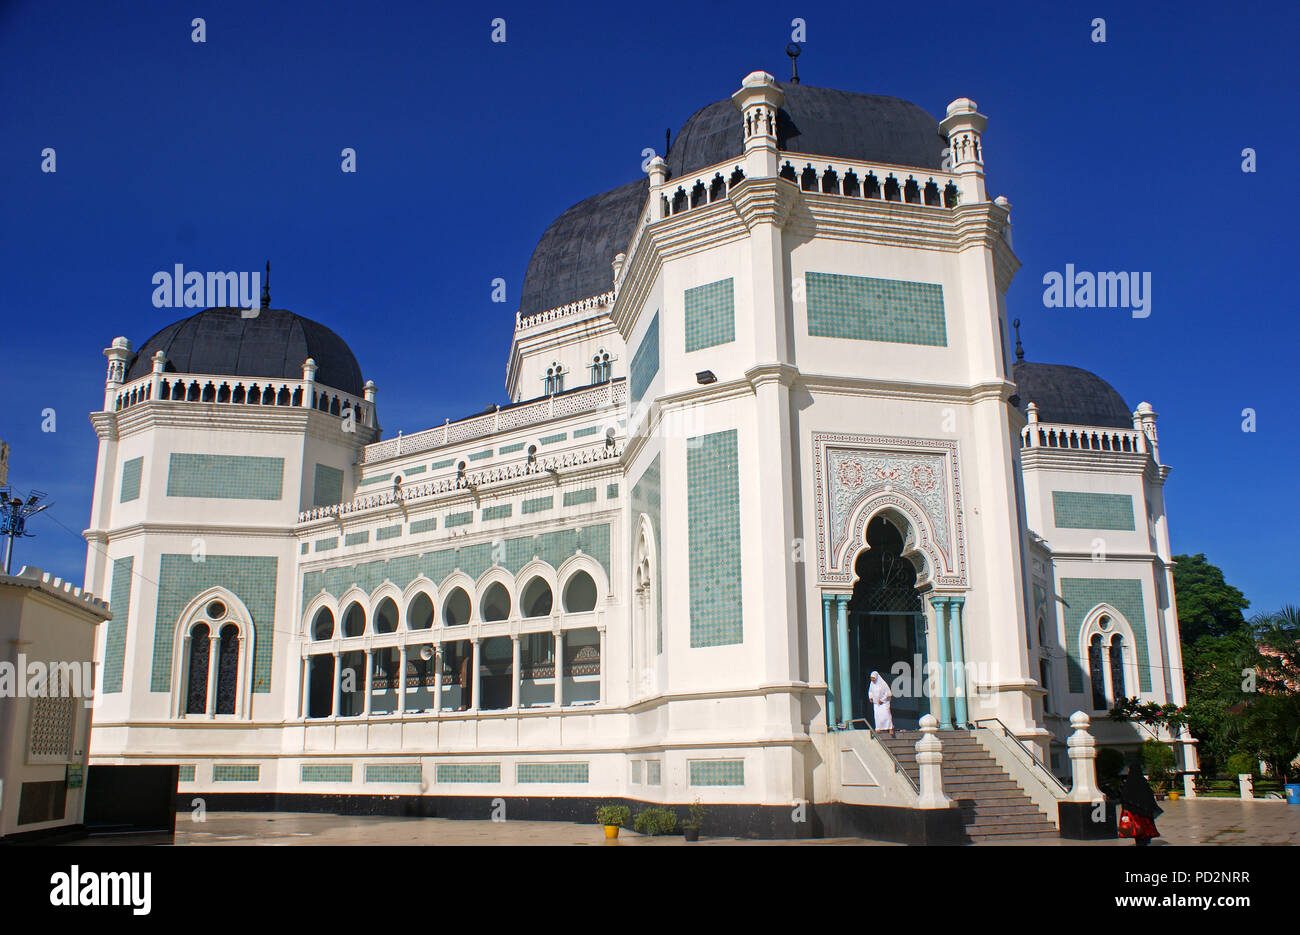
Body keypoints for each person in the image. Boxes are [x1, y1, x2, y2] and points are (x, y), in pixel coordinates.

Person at [1119, 766, 1163, 846]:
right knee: (1145, 828)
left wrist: (1125, 808)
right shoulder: (1143, 782)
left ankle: (1139, 841)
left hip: (1133, 811)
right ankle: (1145, 840)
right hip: (1145, 811)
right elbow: (1149, 796)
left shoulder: (1128, 783)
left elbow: (1124, 797)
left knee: (1137, 828)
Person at [868, 671, 894, 738]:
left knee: (886, 714)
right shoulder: (872, 684)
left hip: (884, 703)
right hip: (876, 703)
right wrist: (870, 697)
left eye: (873, 678)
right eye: (871, 678)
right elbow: (870, 691)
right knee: (877, 715)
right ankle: (878, 728)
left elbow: (888, 693)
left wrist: (882, 700)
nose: (872, 679)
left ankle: (890, 728)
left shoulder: (883, 684)